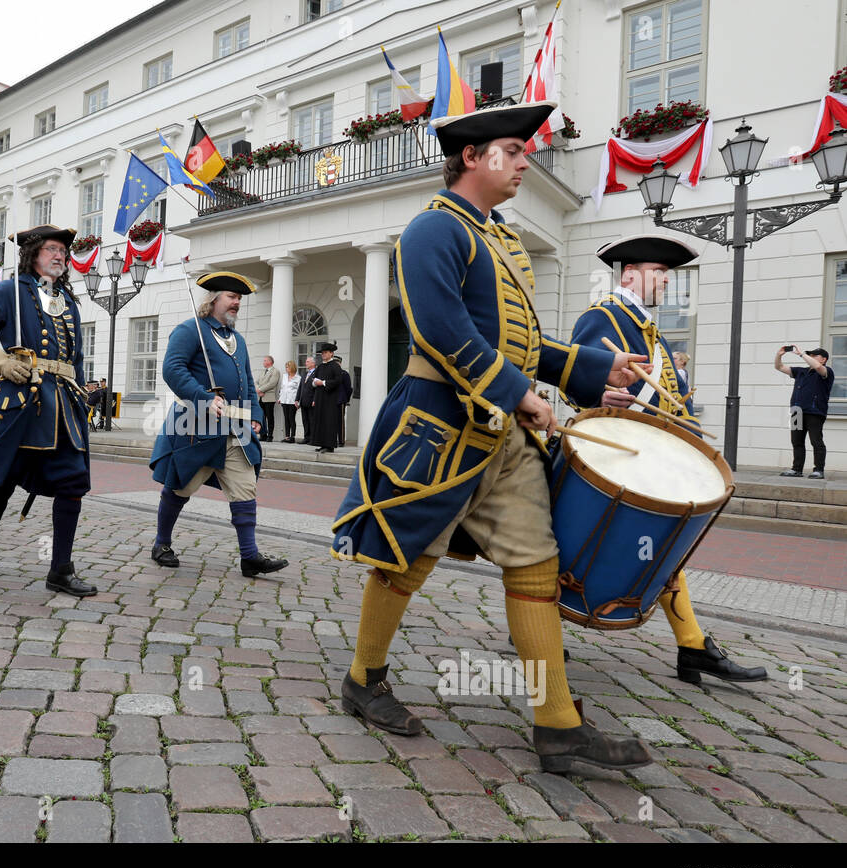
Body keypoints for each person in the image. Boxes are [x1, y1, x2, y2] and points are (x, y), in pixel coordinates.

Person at [330, 101, 654, 773]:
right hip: (438, 427)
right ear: (472, 157)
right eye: (513, 148)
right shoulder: (433, 229)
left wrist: (592, 368)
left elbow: (521, 342)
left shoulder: (499, 237)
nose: (526, 160)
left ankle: (558, 725)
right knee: (405, 558)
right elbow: (440, 331)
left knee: (534, 564)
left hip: (502, 438)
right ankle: (364, 680)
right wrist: (520, 395)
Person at [569, 233, 767, 685]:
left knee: (663, 548)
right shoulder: (603, 317)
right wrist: (599, 391)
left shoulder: (646, 330)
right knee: (595, 547)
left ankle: (692, 645)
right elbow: (575, 376)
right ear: (632, 274)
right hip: (618, 455)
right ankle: (692, 646)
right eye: (659, 275)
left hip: (652, 455)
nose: (664, 284)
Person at [0, 224, 96, 597]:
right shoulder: (11, 292)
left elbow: (73, 358)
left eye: (63, 251)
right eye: (51, 249)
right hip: (21, 402)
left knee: (74, 482)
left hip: (63, 405)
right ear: (33, 255)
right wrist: (0, 363)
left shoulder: (69, 302)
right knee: (2, 477)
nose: (60, 256)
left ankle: (60, 569)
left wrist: (83, 390)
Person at [148, 272, 290, 577]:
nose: (237, 303)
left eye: (239, 299)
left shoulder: (236, 339)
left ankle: (250, 557)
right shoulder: (190, 330)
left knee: (245, 488)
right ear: (213, 300)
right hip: (196, 426)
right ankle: (161, 543)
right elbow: (172, 370)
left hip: (235, 430)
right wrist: (202, 397)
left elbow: (248, 383)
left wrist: (255, 415)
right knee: (180, 487)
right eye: (231, 297)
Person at [776, 345, 835, 479]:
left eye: (815, 355)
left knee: (816, 441)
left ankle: (818, 470)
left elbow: (819, 368)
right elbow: (779, 367)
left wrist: (801, 354)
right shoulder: (801, 371)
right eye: (811, 355)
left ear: (823, 359)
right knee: (796, 441)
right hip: (796, 411)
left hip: (814, 411)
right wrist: (779, 355)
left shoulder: (827, 371)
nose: (812, 357)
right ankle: (797, 469)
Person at [309, 343, 343, 453]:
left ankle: (329, 445)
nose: (323, 355)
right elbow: (314, 379)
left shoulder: (335, 366)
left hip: (330, 399)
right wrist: (314, 382)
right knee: (320, 420)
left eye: (325, 353)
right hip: (319, 398)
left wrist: (323, 383)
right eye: (322, 353)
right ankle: (322, 443)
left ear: (331, 353)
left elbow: (338, 381)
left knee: (329, 421)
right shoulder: (320, 366)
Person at [255, 355, 280, 442]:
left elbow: (272, 383)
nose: (263, 362)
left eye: (265, 360)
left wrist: (261, 389)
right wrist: (258, 390)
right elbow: (257, 382)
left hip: (269, 397)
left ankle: (270, 435)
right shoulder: (263, 372)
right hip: (261, 398)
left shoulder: (275, 371)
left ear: (270, 362)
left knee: (270, 417)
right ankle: (263, 434)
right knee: (262, 417)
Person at [279, 360, 301, 443]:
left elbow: (299, 391)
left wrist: (298, 401)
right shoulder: (284, 376)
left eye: (287, 367)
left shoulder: (298, 378)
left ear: (292, 368)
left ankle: (293, 437)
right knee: (286, 418)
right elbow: (282, 388)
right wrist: (280, 398)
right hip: (284, 400)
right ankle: (287, 436)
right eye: (286, 367)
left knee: (291, 418)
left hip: (292, 401)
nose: (286, 369)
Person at [298, 355, 317, 445]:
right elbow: (300, 387)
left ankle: (313, 438)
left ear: (313, 363)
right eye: (306, 362)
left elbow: (317, 389)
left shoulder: (316, 373)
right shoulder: (304, 374)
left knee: (312, 420)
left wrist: (315, 399)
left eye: (307, 362)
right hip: (303, 401)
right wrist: (297, 399)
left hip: (311, 401)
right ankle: (307, 437)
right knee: (305, 420)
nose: (306, 363)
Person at [335, 358, 353, 447]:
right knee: (331, 421)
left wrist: (346, 400)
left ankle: (341, 441)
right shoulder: (331, 374)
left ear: (340, 364)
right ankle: (332, 440)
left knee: (340, 421)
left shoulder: (344, 374)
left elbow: (348, 388)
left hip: (340, 400)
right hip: (331, 401)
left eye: (337, 363)